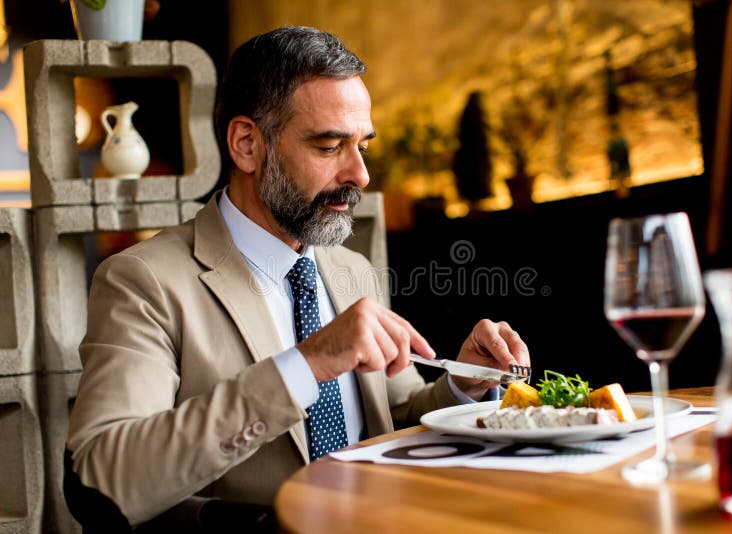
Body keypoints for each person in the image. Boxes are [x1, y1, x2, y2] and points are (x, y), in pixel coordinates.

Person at [64, 26, 530, 530]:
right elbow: (104, 478)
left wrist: (462, 384)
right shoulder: (143, 280)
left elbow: (393, 416)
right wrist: (307, 364)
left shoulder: (350, 268)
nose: (360, 175)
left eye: (363, 147)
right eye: (330, 146)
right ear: (246, 144)